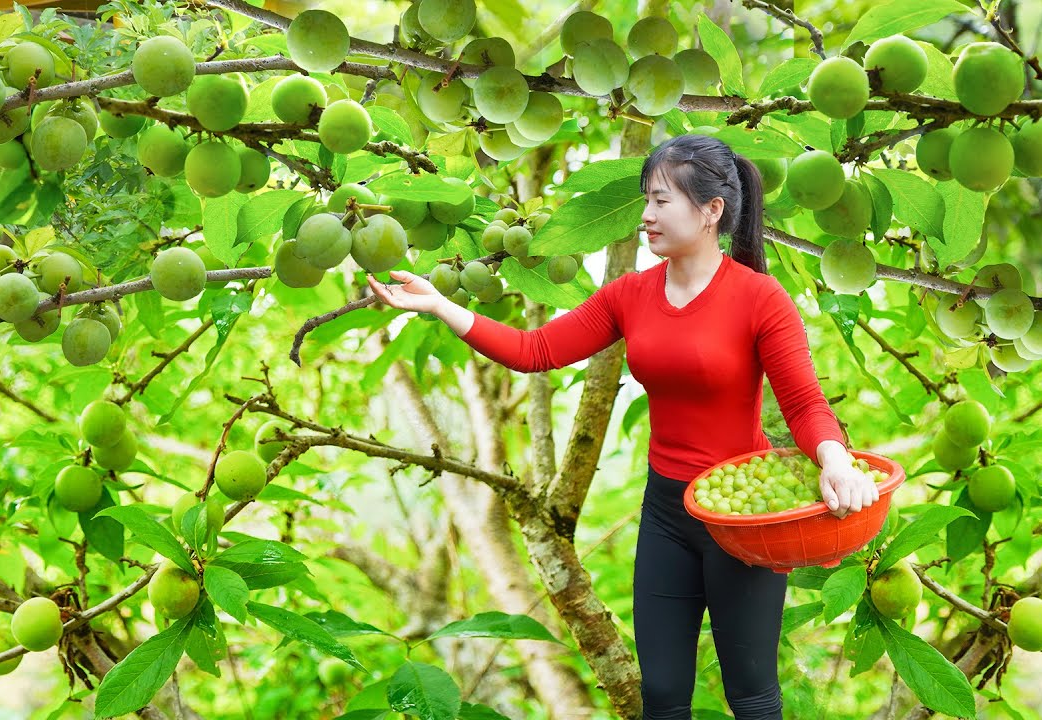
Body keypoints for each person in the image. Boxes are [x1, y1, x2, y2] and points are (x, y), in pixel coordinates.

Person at [364, 133, 877, 720]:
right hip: (666, 513)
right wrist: (440, 305)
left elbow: (805, 404)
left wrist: (834, 459)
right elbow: (536, 350)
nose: (647, 215)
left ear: (712, 211)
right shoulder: (629, 294)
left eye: (661, 201)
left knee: (752, 694)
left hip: (742, 521)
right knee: (660, 694)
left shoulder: (761, 299)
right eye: (646, 200)